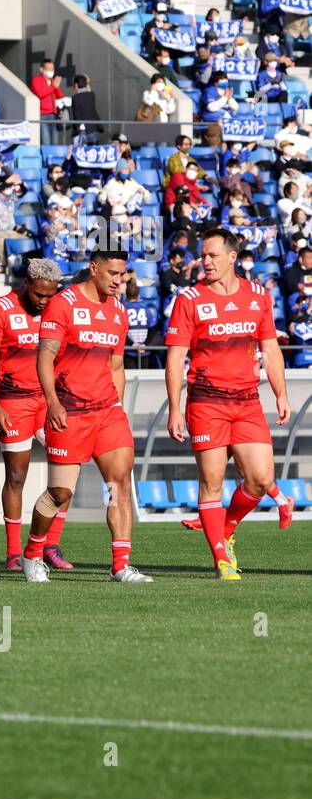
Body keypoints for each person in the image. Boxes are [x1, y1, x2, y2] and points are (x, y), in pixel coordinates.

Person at [165, 229, 291, 580]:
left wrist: (280, 393)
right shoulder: (189, 299)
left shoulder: (258, 296)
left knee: (261, 479)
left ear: (232, 258)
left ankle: (226, 529)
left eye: (211, 255)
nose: (204, 261)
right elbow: (176, 358)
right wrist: (175, 407)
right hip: (206, 401)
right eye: (202, 255)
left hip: (248, 399)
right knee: (212, 483)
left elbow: (270, 348)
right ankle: (222, 559)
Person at [22, 248, 150, 583]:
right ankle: (33, 554)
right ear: (94, 269)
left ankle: (121, 565)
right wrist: (51, 402)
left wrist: (118, 407)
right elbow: (45, 357)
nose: (118, 281)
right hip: (69, 411)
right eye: (112, 274)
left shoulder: (119, 313)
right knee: (60, 494)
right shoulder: (63, 304)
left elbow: (116, 365)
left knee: (118, 484)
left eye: (122, 275)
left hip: (107, 413)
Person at [0, 258, 71, 570]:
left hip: (49, 402)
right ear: (27, 283)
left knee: (66, 471)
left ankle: (50, 545)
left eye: (50, 295)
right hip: (14, 402)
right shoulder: (0, 308)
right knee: (17, 476)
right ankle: (13, 551)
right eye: (39, 294)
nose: (44, 301)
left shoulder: (59, 308)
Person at [31, 59, 65, 145]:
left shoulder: (51, 81)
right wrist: (53, 87)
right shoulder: (36, 80)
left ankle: (53, 157)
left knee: (55, 141)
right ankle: (46, 158)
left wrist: (56, 87)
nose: (51, 71)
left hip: (53, 114)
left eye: (52, 69)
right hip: (43, 115)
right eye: (48, 69)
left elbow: (60, 96)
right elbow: (40, 94)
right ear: (41, 69)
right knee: (46, 141)